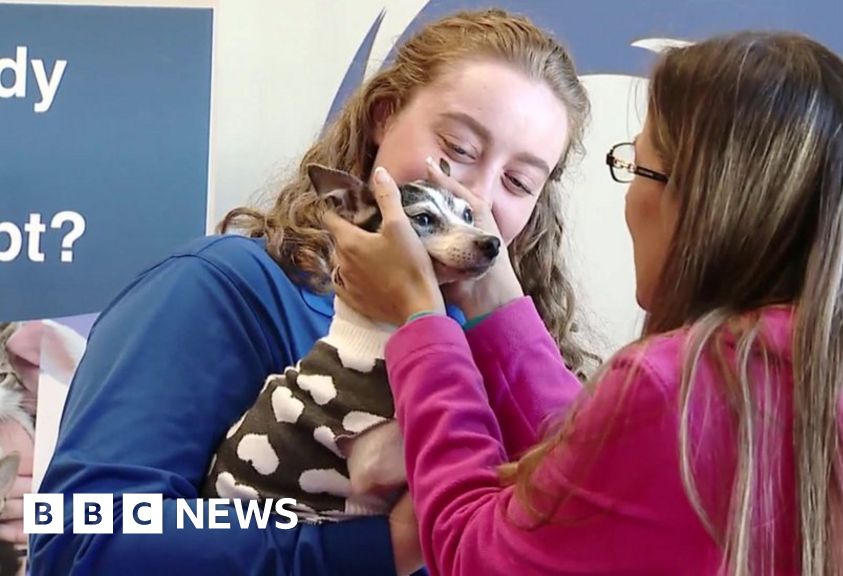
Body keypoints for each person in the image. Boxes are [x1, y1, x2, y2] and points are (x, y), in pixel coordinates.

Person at [327, 32, 843, 575]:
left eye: (639, 164)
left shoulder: (682, 387)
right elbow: (597, 477)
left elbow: (480, 553)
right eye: (457, 148)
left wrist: (424, 323)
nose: (477, 196)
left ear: (702, 200)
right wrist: (490, 290)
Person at [30, 9, 595, 575]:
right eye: (458, 146)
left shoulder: (510, 360)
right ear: (384, 116)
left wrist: (499, 313)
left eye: (519, 182)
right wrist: (372, 548)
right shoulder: (226, 288)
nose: (475, 195)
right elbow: (82, 539)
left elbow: (593, 523)